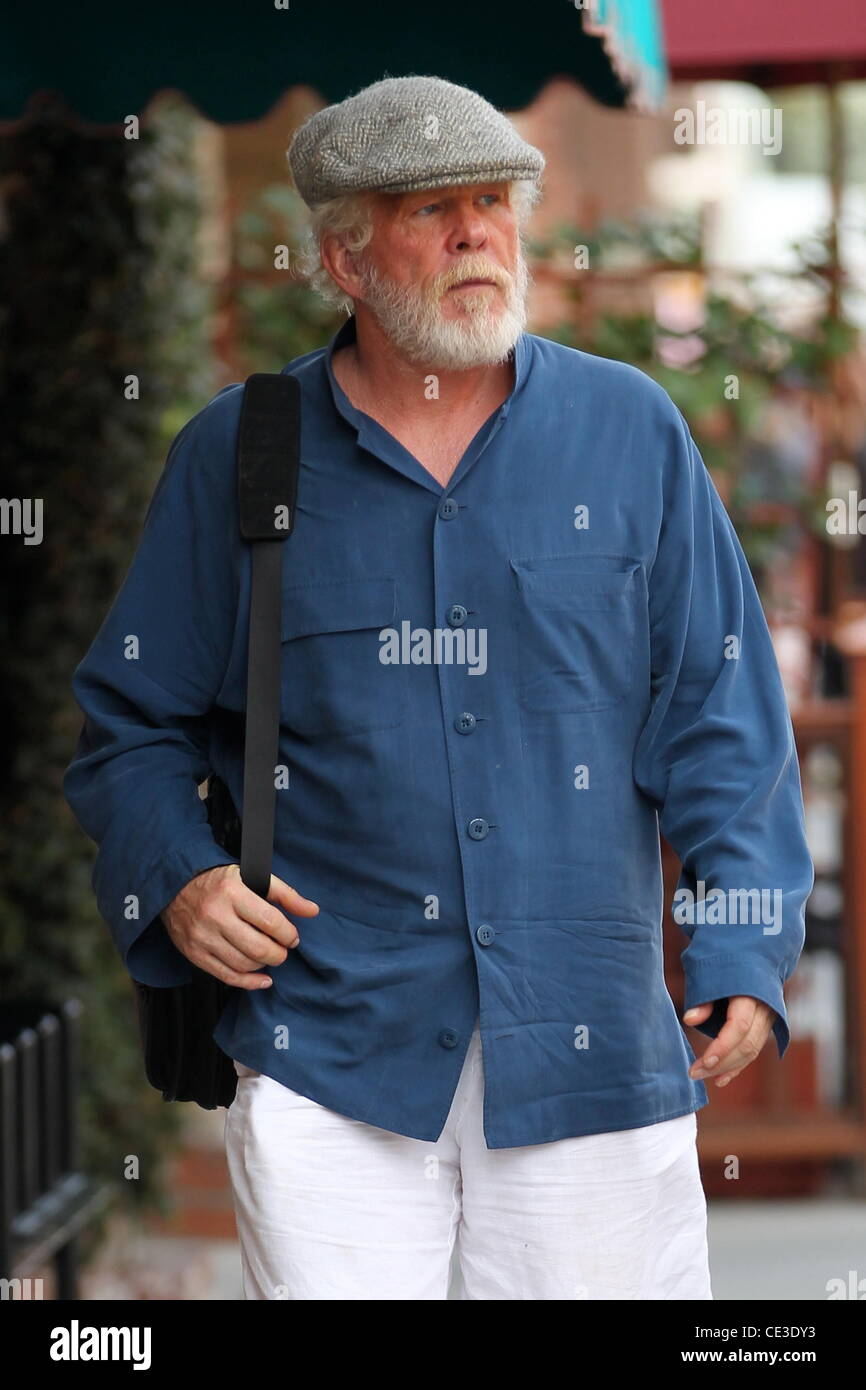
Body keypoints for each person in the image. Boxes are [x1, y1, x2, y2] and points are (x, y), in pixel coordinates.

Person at [63, 75, 814, 1301]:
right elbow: (128, 725)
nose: (475, 233)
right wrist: (183, 878)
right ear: (347, 261)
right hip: (330, 1061)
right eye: (429, 210)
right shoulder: (240, 456)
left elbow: (722, 719)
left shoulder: (629, 434)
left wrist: (738, 942)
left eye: (490, 201)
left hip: (589, 1053)